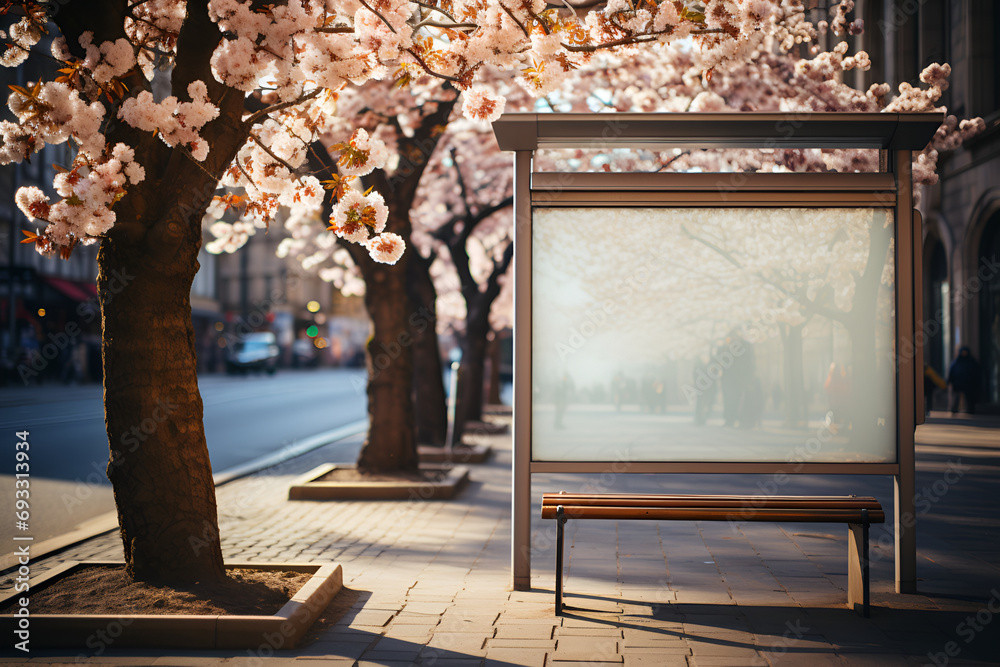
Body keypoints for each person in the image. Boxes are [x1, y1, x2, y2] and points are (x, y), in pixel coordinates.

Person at [948, 346, 982, 414]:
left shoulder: (972, 362)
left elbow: (977, 373)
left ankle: (970, 410)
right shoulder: (956, 362)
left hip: (969, 383)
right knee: (956, 397)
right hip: (958, 383)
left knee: (969, 398)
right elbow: (951, 372)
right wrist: (950, 380)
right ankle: (954, 409)